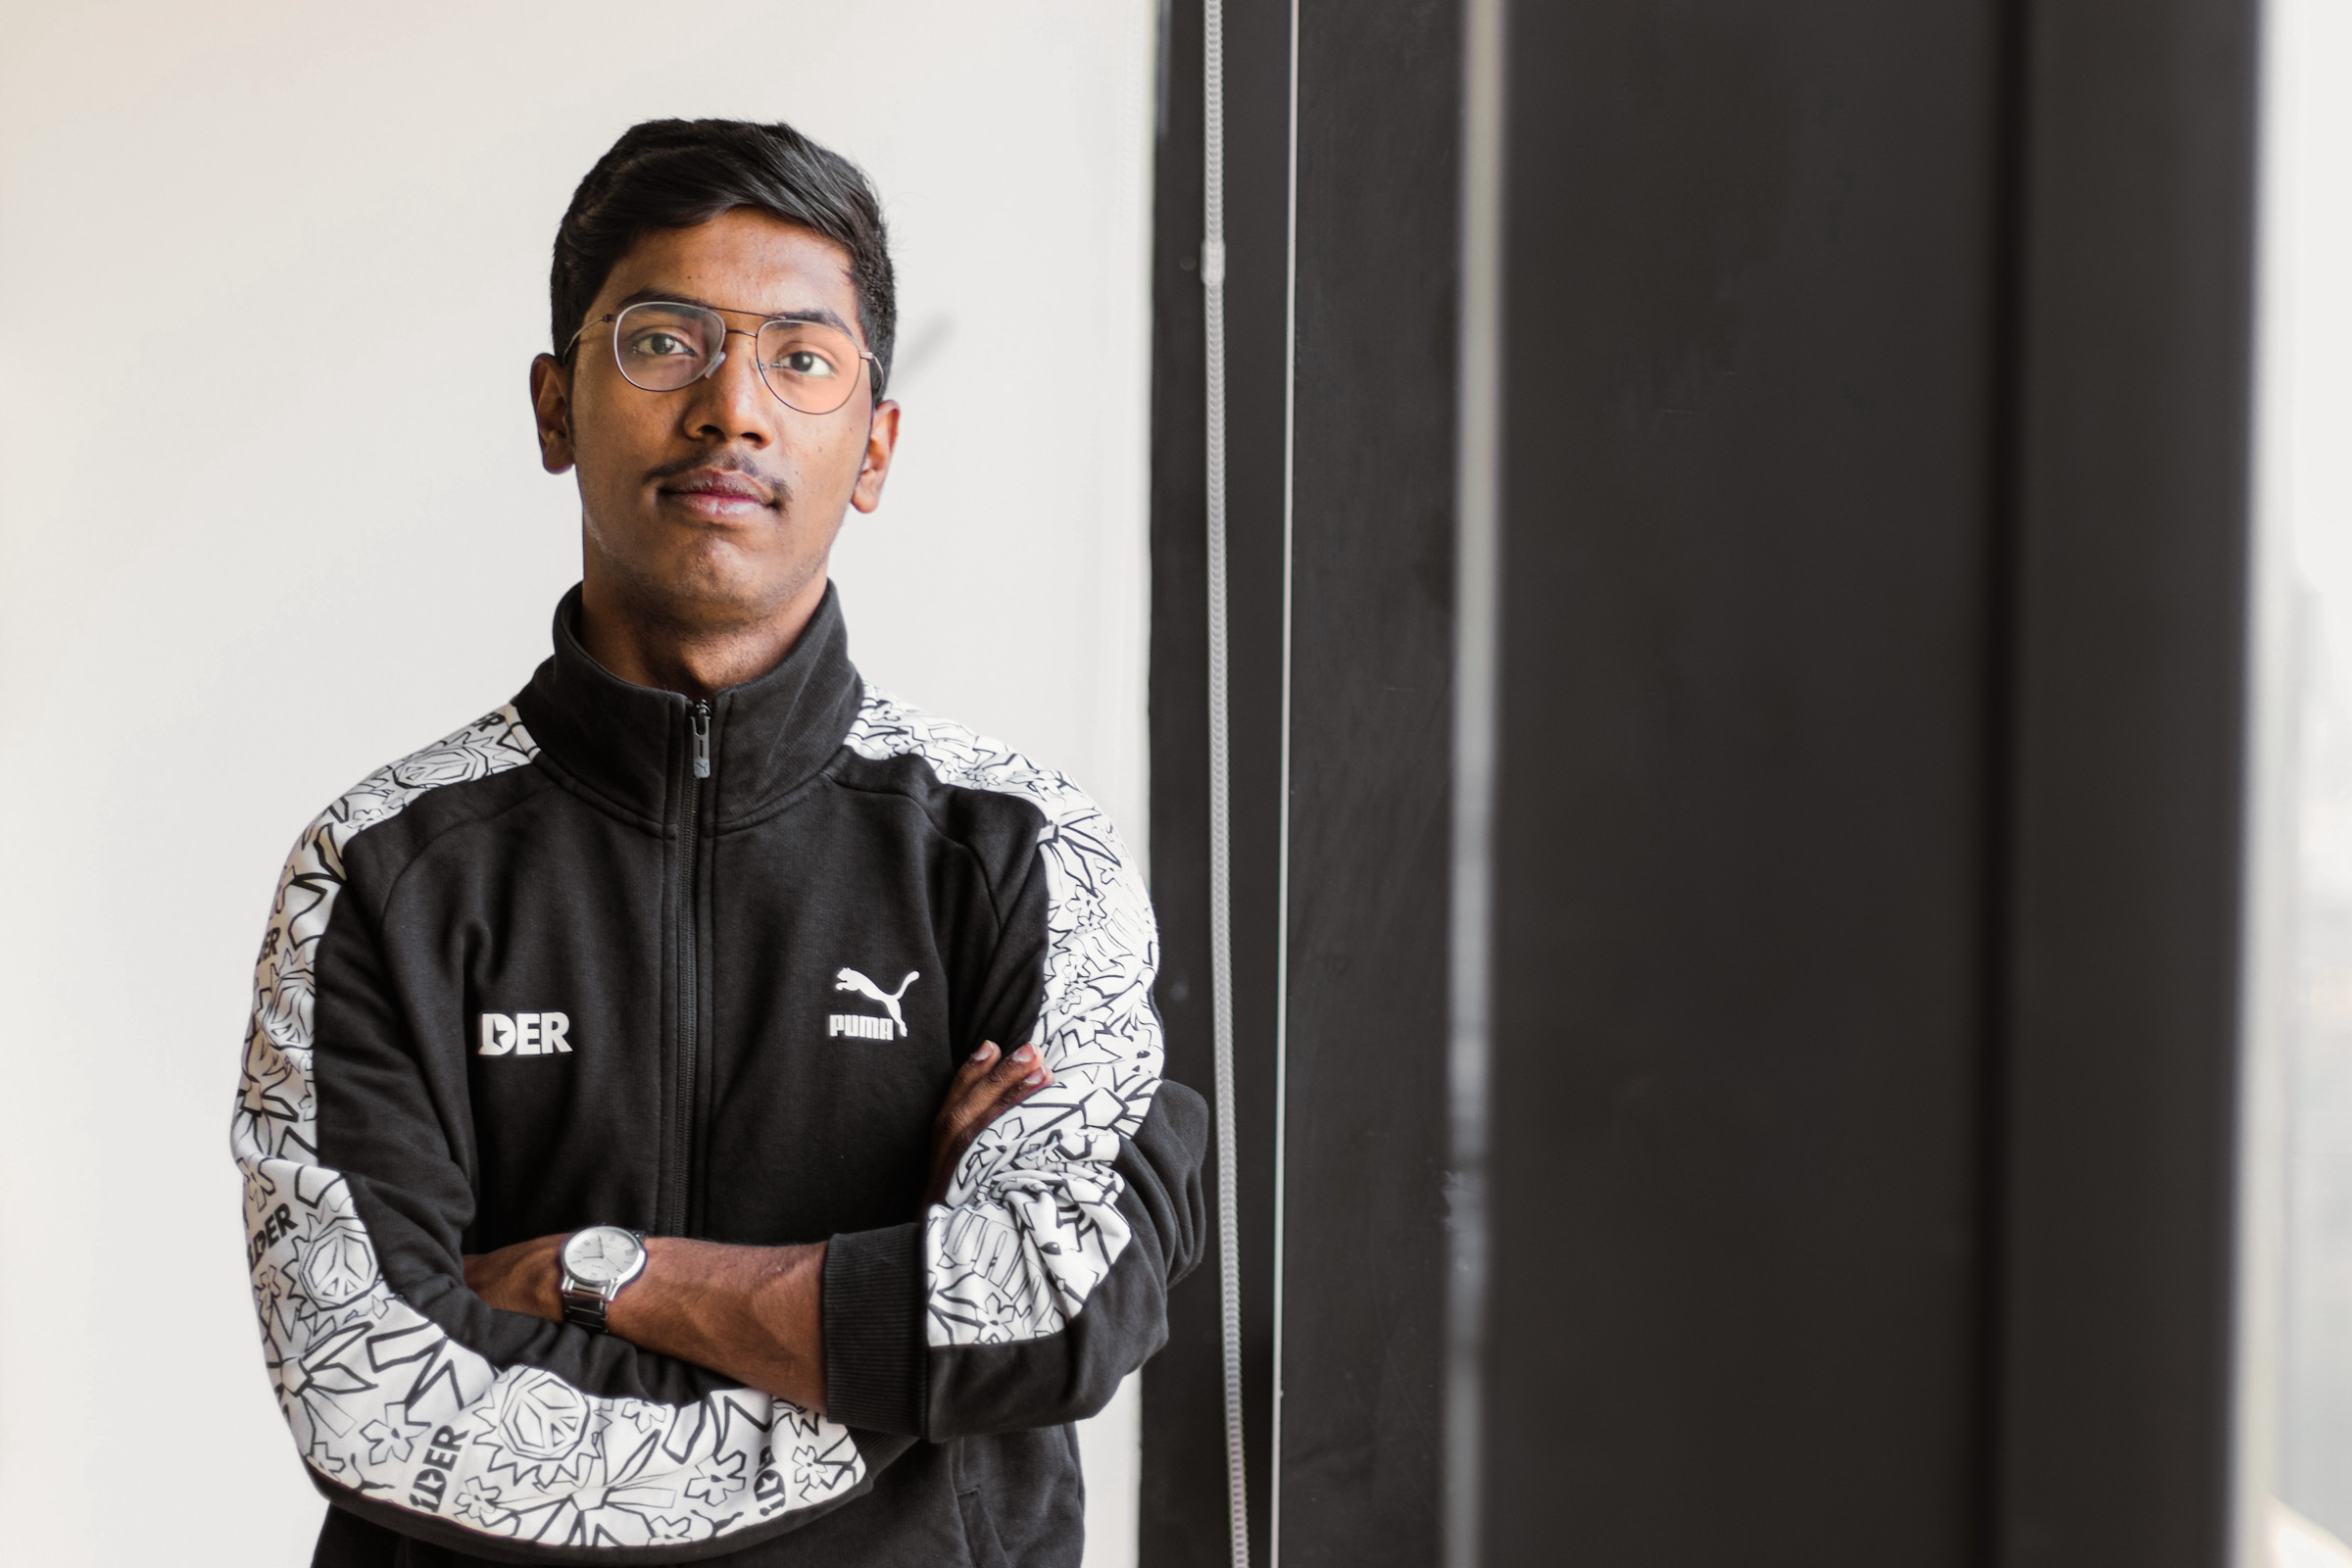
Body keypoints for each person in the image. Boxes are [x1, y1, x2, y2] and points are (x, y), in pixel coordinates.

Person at [231, 118, 1205, 1567]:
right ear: (557, 408)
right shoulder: (381, 871)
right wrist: (897, 1352)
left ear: (872, 446)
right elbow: (375, 1402)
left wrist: (596, 1271)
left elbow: (1056, 1302)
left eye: (800, 359)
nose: (733, 410)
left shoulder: (1021, 850)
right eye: (665, 344)